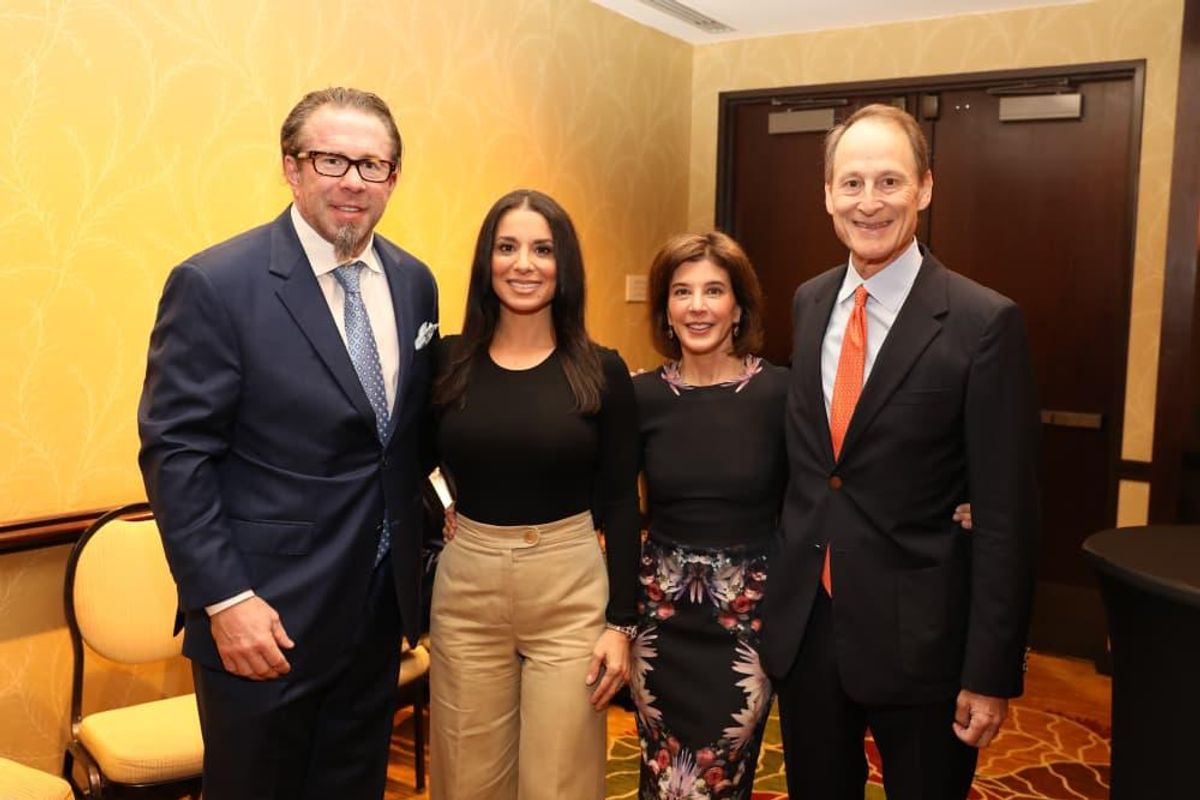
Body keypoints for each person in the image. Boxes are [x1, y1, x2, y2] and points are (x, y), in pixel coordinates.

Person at [138, 87, 439, 800]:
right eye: (331, 160)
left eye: (372, 165)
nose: (353, 181)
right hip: (264, 619)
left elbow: (402, 441)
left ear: (394, 178)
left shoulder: (414, 282)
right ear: (291, 167)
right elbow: (176, 453)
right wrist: (225, 599)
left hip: (376, 613)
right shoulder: (216, 284)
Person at [760, 103, 1040, 800]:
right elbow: (819, 468)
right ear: (827, 195)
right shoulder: (808, 303)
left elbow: (1007, 516)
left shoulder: (983, 322)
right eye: (851, 183)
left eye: (889, 181)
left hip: (925, 642)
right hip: (809, 627)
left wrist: (990, 671)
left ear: (925, 188)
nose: (869, 202)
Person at [429, 189, 640, 800]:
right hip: (467, 588)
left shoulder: (601, 369)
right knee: (467, 779)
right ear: (486, 261)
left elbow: (622, 501)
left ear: (563, 263)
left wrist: (621, 624)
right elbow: (407, 460)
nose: (524, 264)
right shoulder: (446, 360)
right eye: (508, 247)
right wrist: (441, 508)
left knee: (560, 781)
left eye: (542, 250)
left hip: (569, 589)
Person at [630, 232, 788, 798]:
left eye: (714, 291)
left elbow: (828, 486)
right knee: (661, 775)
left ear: (739, 307)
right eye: (682, 292)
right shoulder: (640, 396)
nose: (697, 306)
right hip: (660, 621)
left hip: (745, 625)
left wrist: (950, 500)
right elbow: (610, 499)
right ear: (666, 310)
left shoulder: (782, 394)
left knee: (720, 777)